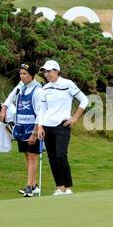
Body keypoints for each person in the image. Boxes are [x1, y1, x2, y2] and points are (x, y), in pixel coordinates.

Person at [34, 60, 89, 195]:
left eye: (49, 71)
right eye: (45, 72)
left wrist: (75, 118)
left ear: (57, 71)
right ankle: (60, 187)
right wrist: (40, 126)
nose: (47, 74)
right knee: (52, 158)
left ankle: (68, 186)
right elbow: (42, 109)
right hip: (47, 126)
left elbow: (84, 100)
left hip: (62, 125)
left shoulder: (67, 84)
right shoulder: (46, 88)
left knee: (61, 155)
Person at [0, 63, 45, 197]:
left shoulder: (38, 90)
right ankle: (34, 185)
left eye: (25, 74)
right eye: (20, 73)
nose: (22, 76)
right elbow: (10, 96)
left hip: (32, 127)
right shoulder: (21, 86)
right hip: (21, 127)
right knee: (27, 155)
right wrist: (4, 108)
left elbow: (40, 113)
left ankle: (29, 187)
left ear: (32, 75)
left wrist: (34, 133)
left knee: (32, 156)